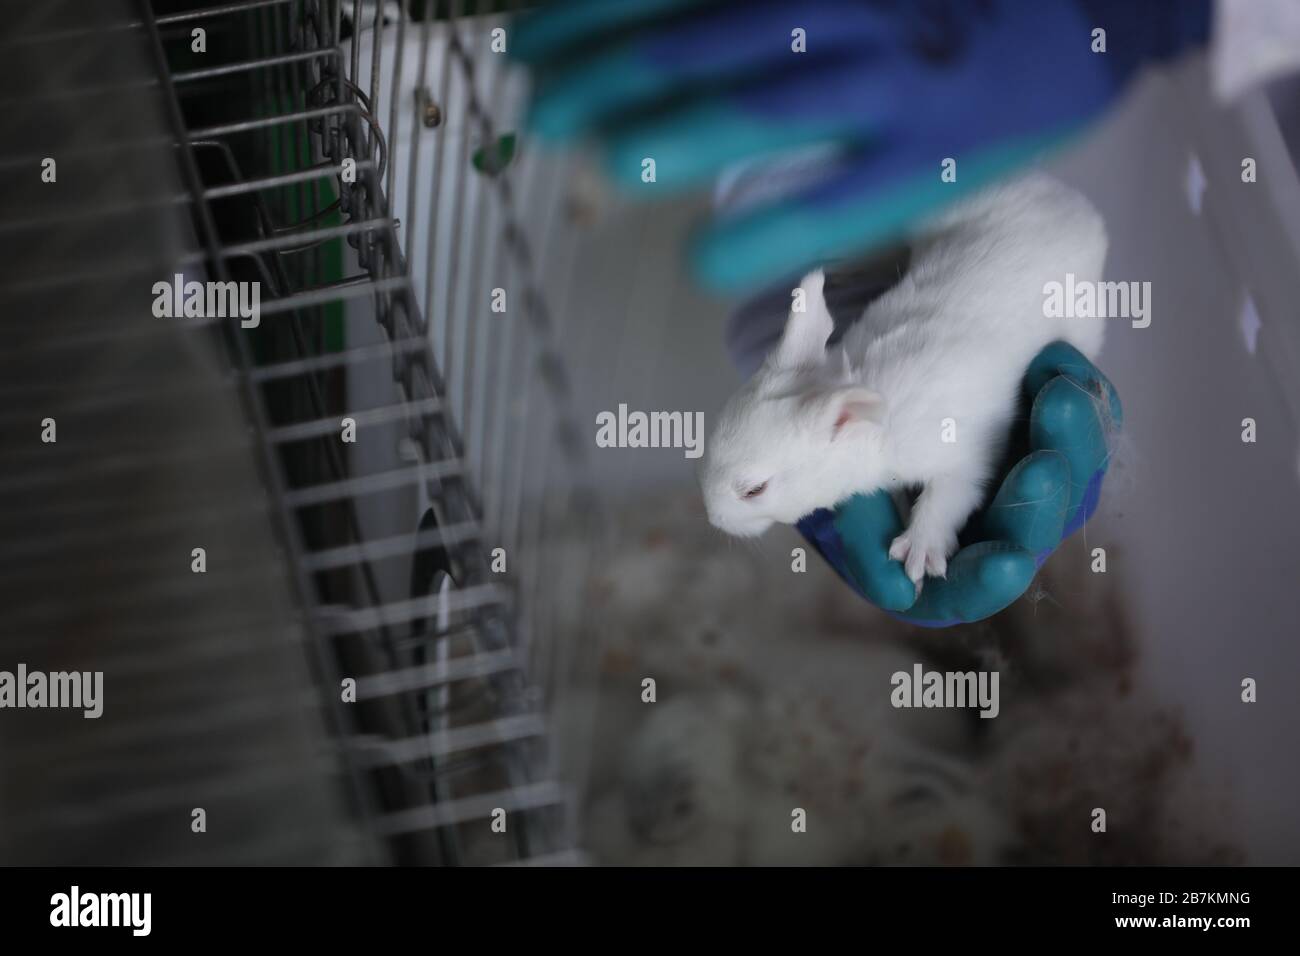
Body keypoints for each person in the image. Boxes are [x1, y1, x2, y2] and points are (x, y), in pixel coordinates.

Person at [512, 0, 1300, 624]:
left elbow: (959, 461)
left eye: (754, 492)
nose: (730, 508)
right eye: (745, 490)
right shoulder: (884, 411)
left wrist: (931, 524)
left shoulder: (907, 430)